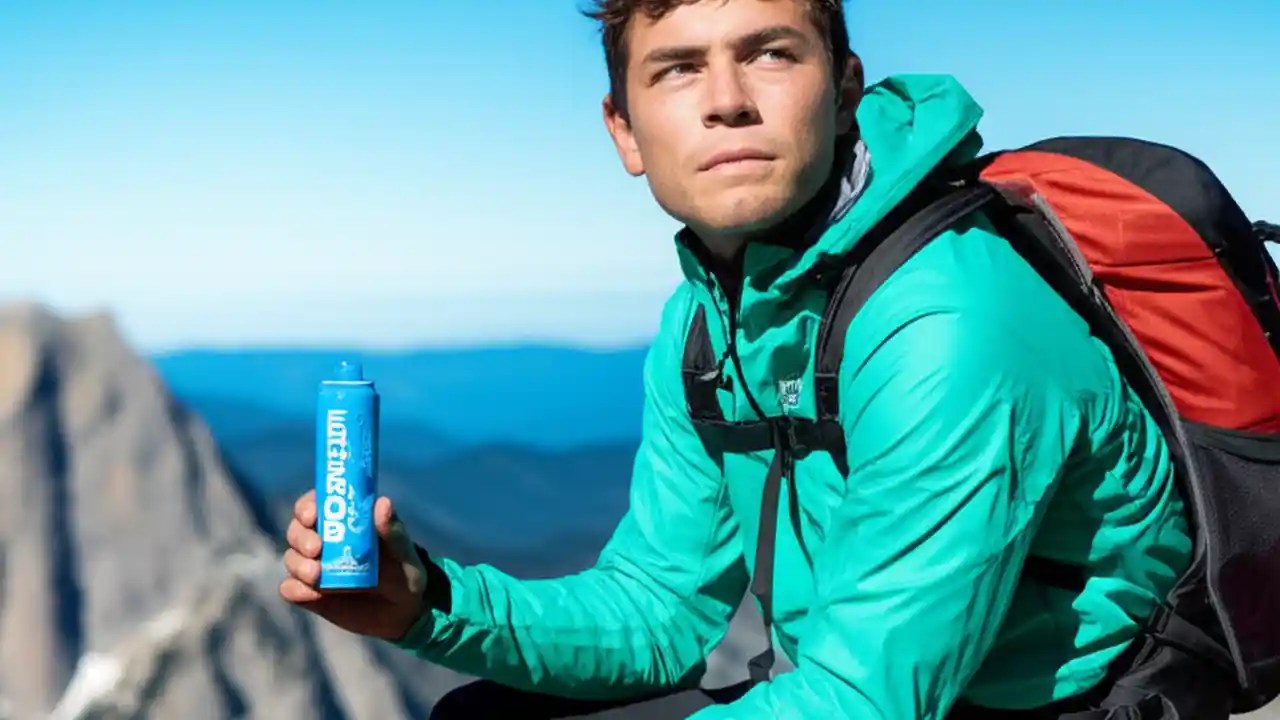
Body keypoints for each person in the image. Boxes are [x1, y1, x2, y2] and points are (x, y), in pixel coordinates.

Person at [279, 0, 1200, 717]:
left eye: (769, 52)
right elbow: (661, 610)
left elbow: (866, 703)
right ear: (625, 132)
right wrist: (427, 603)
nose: (726, 100)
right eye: (677, 69)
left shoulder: (951, 325)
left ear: (844, 90)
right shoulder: (709, 321)